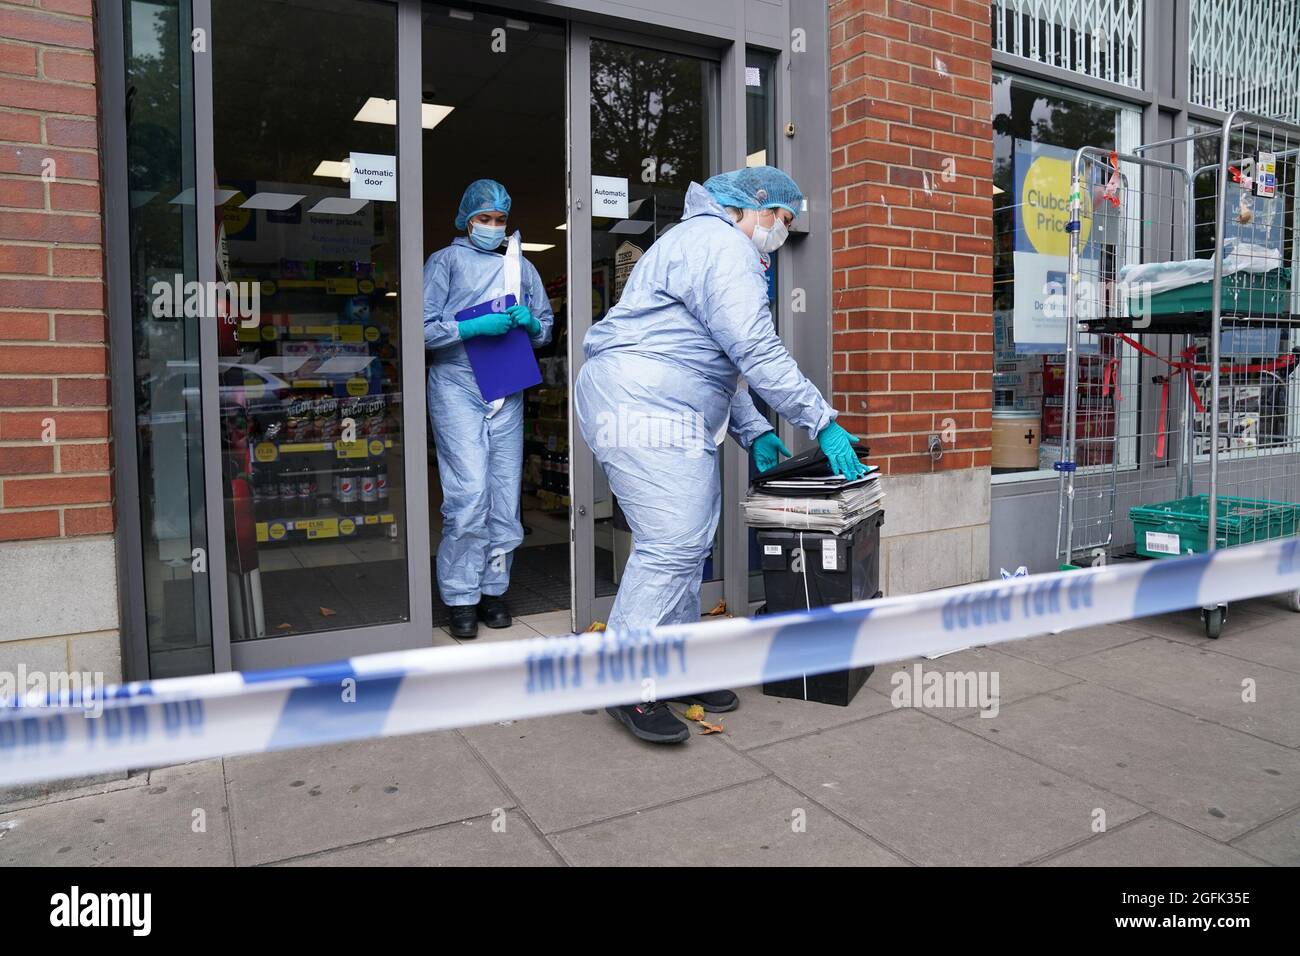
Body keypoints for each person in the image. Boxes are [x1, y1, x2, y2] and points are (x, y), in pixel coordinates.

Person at [574, 165, 866, 744]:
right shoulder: (721, 244)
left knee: (687, 542)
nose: (783, 232)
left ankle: (672, 669)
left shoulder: (703, 243)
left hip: (664, 400)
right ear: (752, 207)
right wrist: (822, 421)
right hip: (644, 402)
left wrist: (755, 431)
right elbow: (753, 348)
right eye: (782, 219)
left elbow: (712, 361)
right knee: (673, 540)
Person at [424, 179, 553, 639]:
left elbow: (546, 330)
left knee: (503, 496)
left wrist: (533, 323)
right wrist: (475, 326)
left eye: (500, 220)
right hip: (457, 384)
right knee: (469, 494)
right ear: (466, 219)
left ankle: (493, 588)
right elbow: (422, 329)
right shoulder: (445, 262)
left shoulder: (523, 268)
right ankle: (460, 595)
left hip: (506, 387)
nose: (493, 227)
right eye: (484, 218)